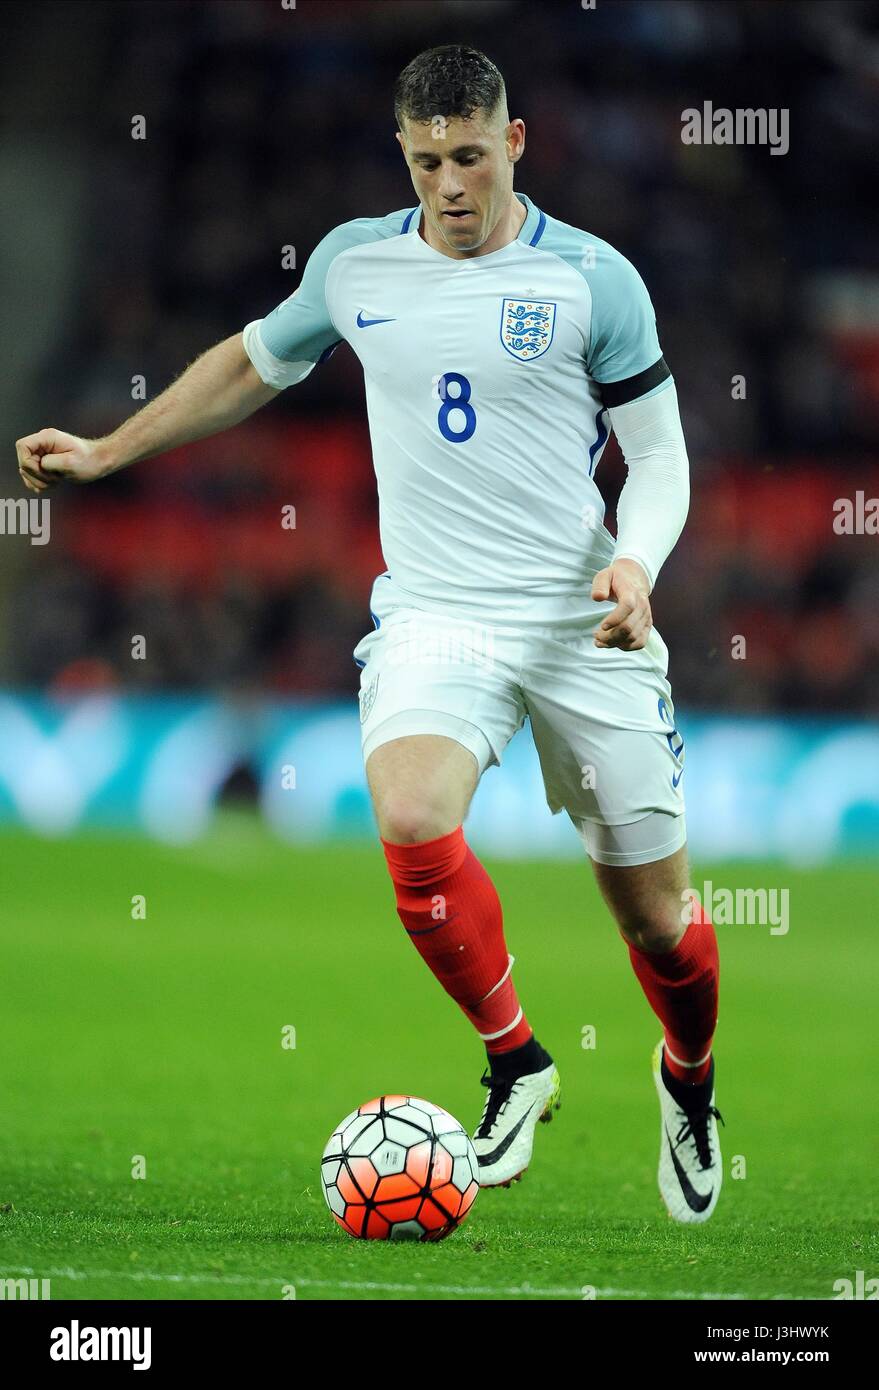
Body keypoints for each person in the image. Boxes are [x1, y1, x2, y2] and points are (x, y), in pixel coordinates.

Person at [16, 44, 722, 1223]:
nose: (451, 184)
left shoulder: (595, 280)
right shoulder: (355, 262)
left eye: (471, 157)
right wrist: (107, 449)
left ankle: (690, 1079)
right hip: (437, 615)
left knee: (660, 921)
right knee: (407, 813)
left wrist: (637, 562)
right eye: (428, 160)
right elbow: (251, 363)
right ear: (405, 154)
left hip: (577, 619)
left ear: (517, 144)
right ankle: (516, 1060)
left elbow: (659, 457)